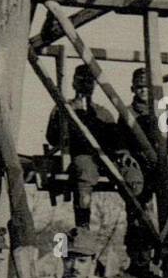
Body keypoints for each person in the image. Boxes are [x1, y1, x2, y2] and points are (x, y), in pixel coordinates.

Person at [113, 67, 168, 249]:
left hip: (164, 162)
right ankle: (141, 243)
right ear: (133, 89)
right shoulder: (127, 112)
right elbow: (120, 142)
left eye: (147, 87)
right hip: (140, 163)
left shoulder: (164, 110)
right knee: (138, 197)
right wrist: (124, 155)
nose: (143, 90)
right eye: (139, 87)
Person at [44, 63, 116, 228]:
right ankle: (83, 227)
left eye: (90, 81)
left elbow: (114, 140)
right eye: (81, 80)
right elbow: (52, 137)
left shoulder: (103, 113)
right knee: (84, 172)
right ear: (74, 84)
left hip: (104, 159)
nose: (85, 85)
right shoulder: (63, 108)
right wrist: (68, 116)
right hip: (80, 157)